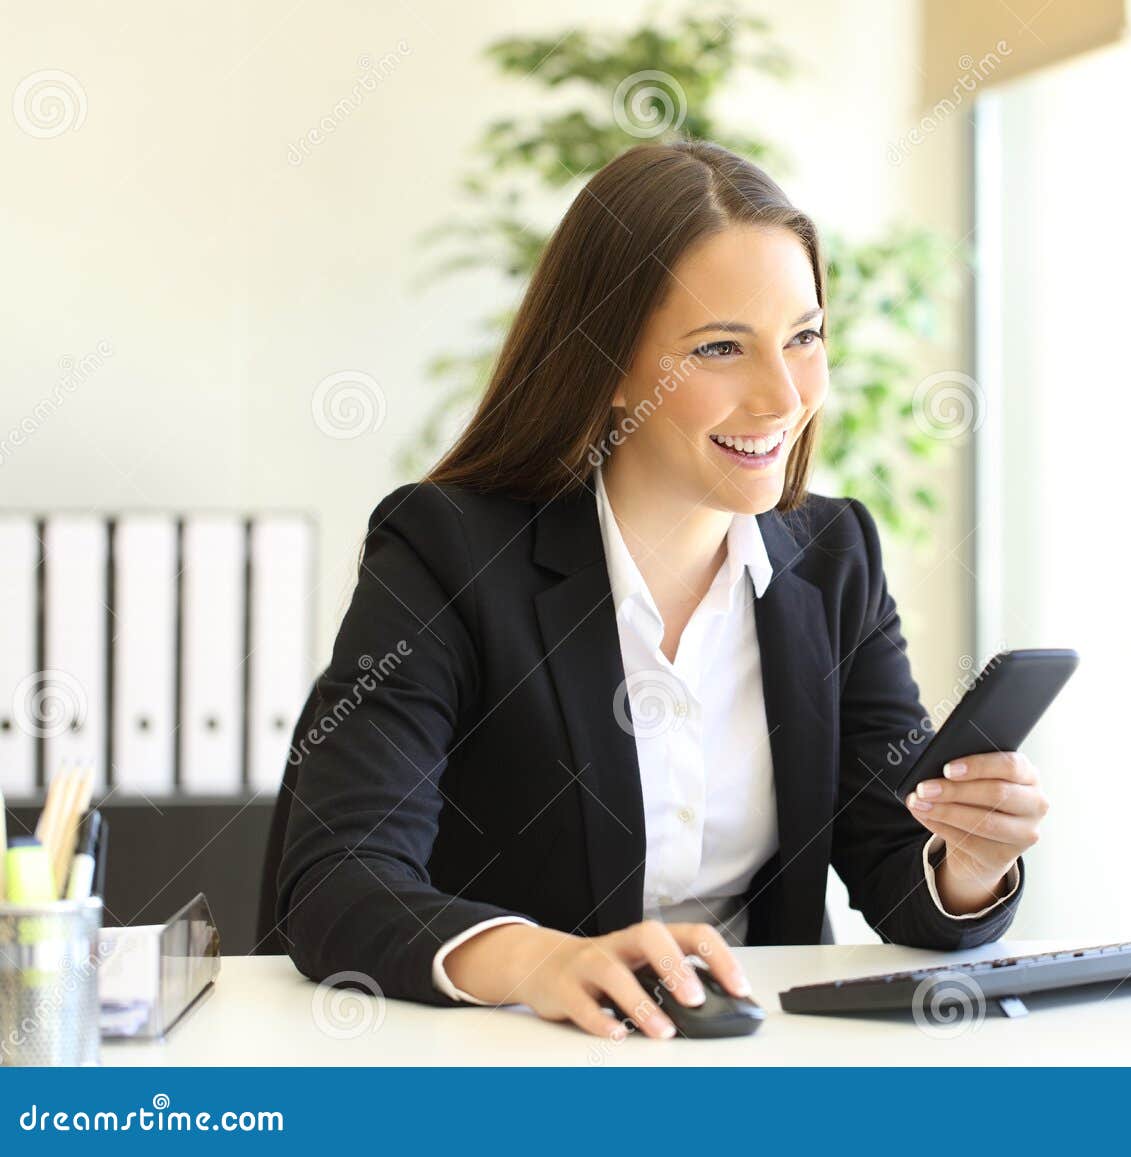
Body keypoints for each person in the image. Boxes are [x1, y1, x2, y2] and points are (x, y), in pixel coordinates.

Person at [276, 140, 1048, 1042]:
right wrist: (544, 960)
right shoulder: (449, 549)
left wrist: (968, 860)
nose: (780, 397)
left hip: (756, 1059)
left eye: (804, 338)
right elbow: (337, 878)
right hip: (516, 1056)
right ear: (608, 368)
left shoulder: (834, 556)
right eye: (721, 347)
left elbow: (892, 868)